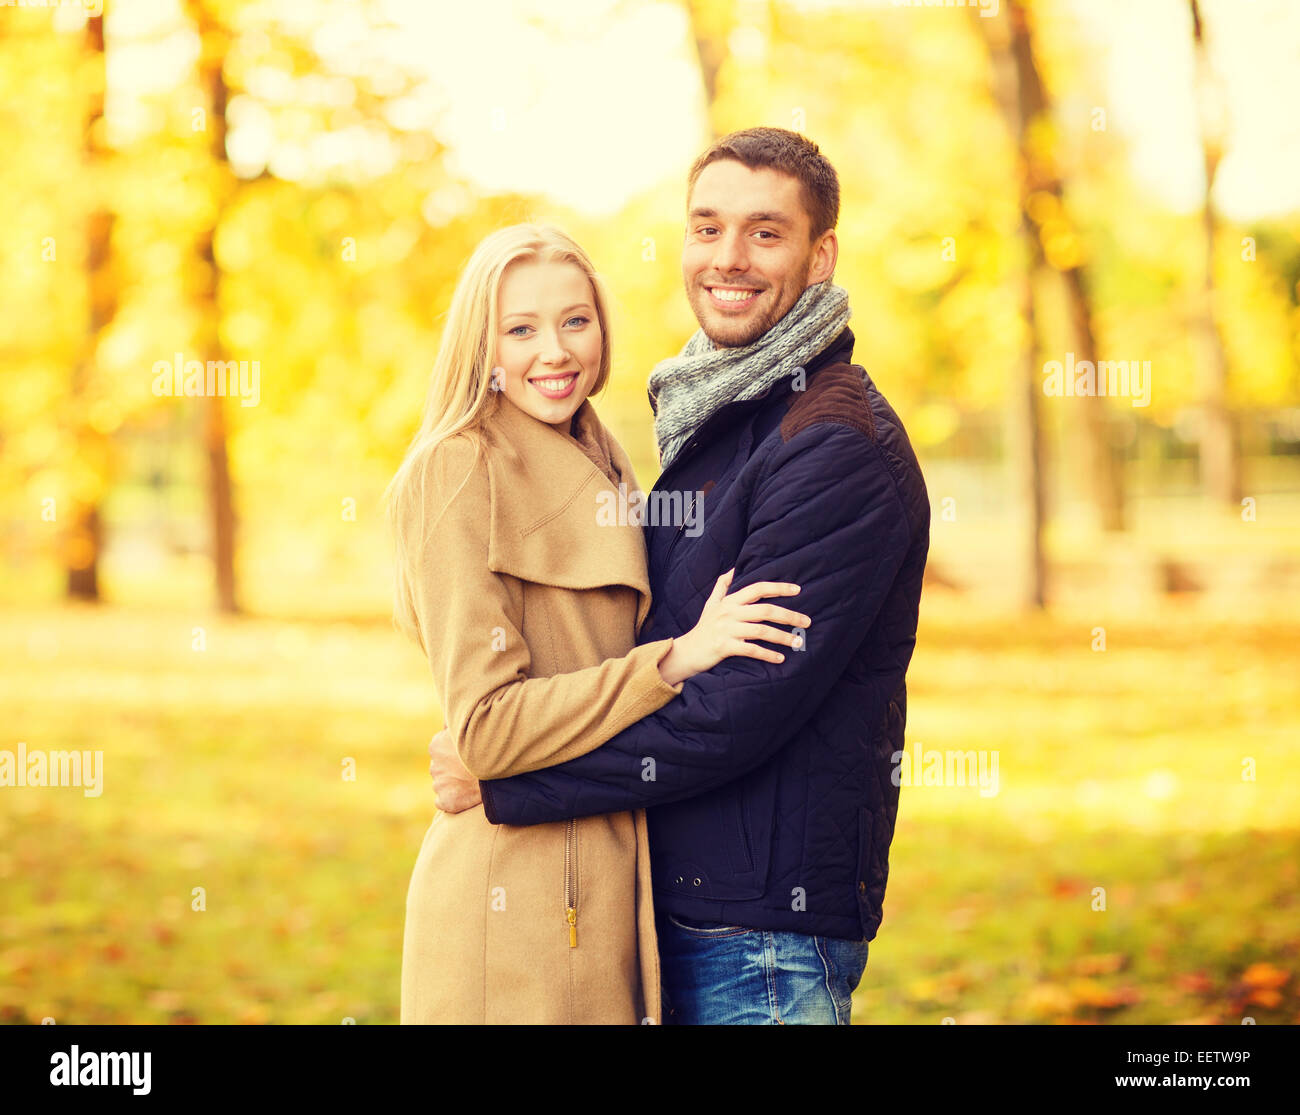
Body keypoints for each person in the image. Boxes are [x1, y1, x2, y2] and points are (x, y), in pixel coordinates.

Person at [430, 127, 931, 1025]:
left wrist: (507, 781)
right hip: (673, 914)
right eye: (707, 228)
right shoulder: (718, 419)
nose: (727, 258)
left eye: (765, 233)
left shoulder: (833, 444)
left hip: (764, 938)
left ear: (822, 257)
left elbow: (732, 713)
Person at [386, 221, 810, 1024]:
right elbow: (484, 729)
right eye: (521, 328)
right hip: (514, 904)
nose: (555, 351)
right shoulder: (461, 468)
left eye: (575, 320)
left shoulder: (605, 451)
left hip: (603, 884)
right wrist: (674, 662)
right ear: (484, 346)